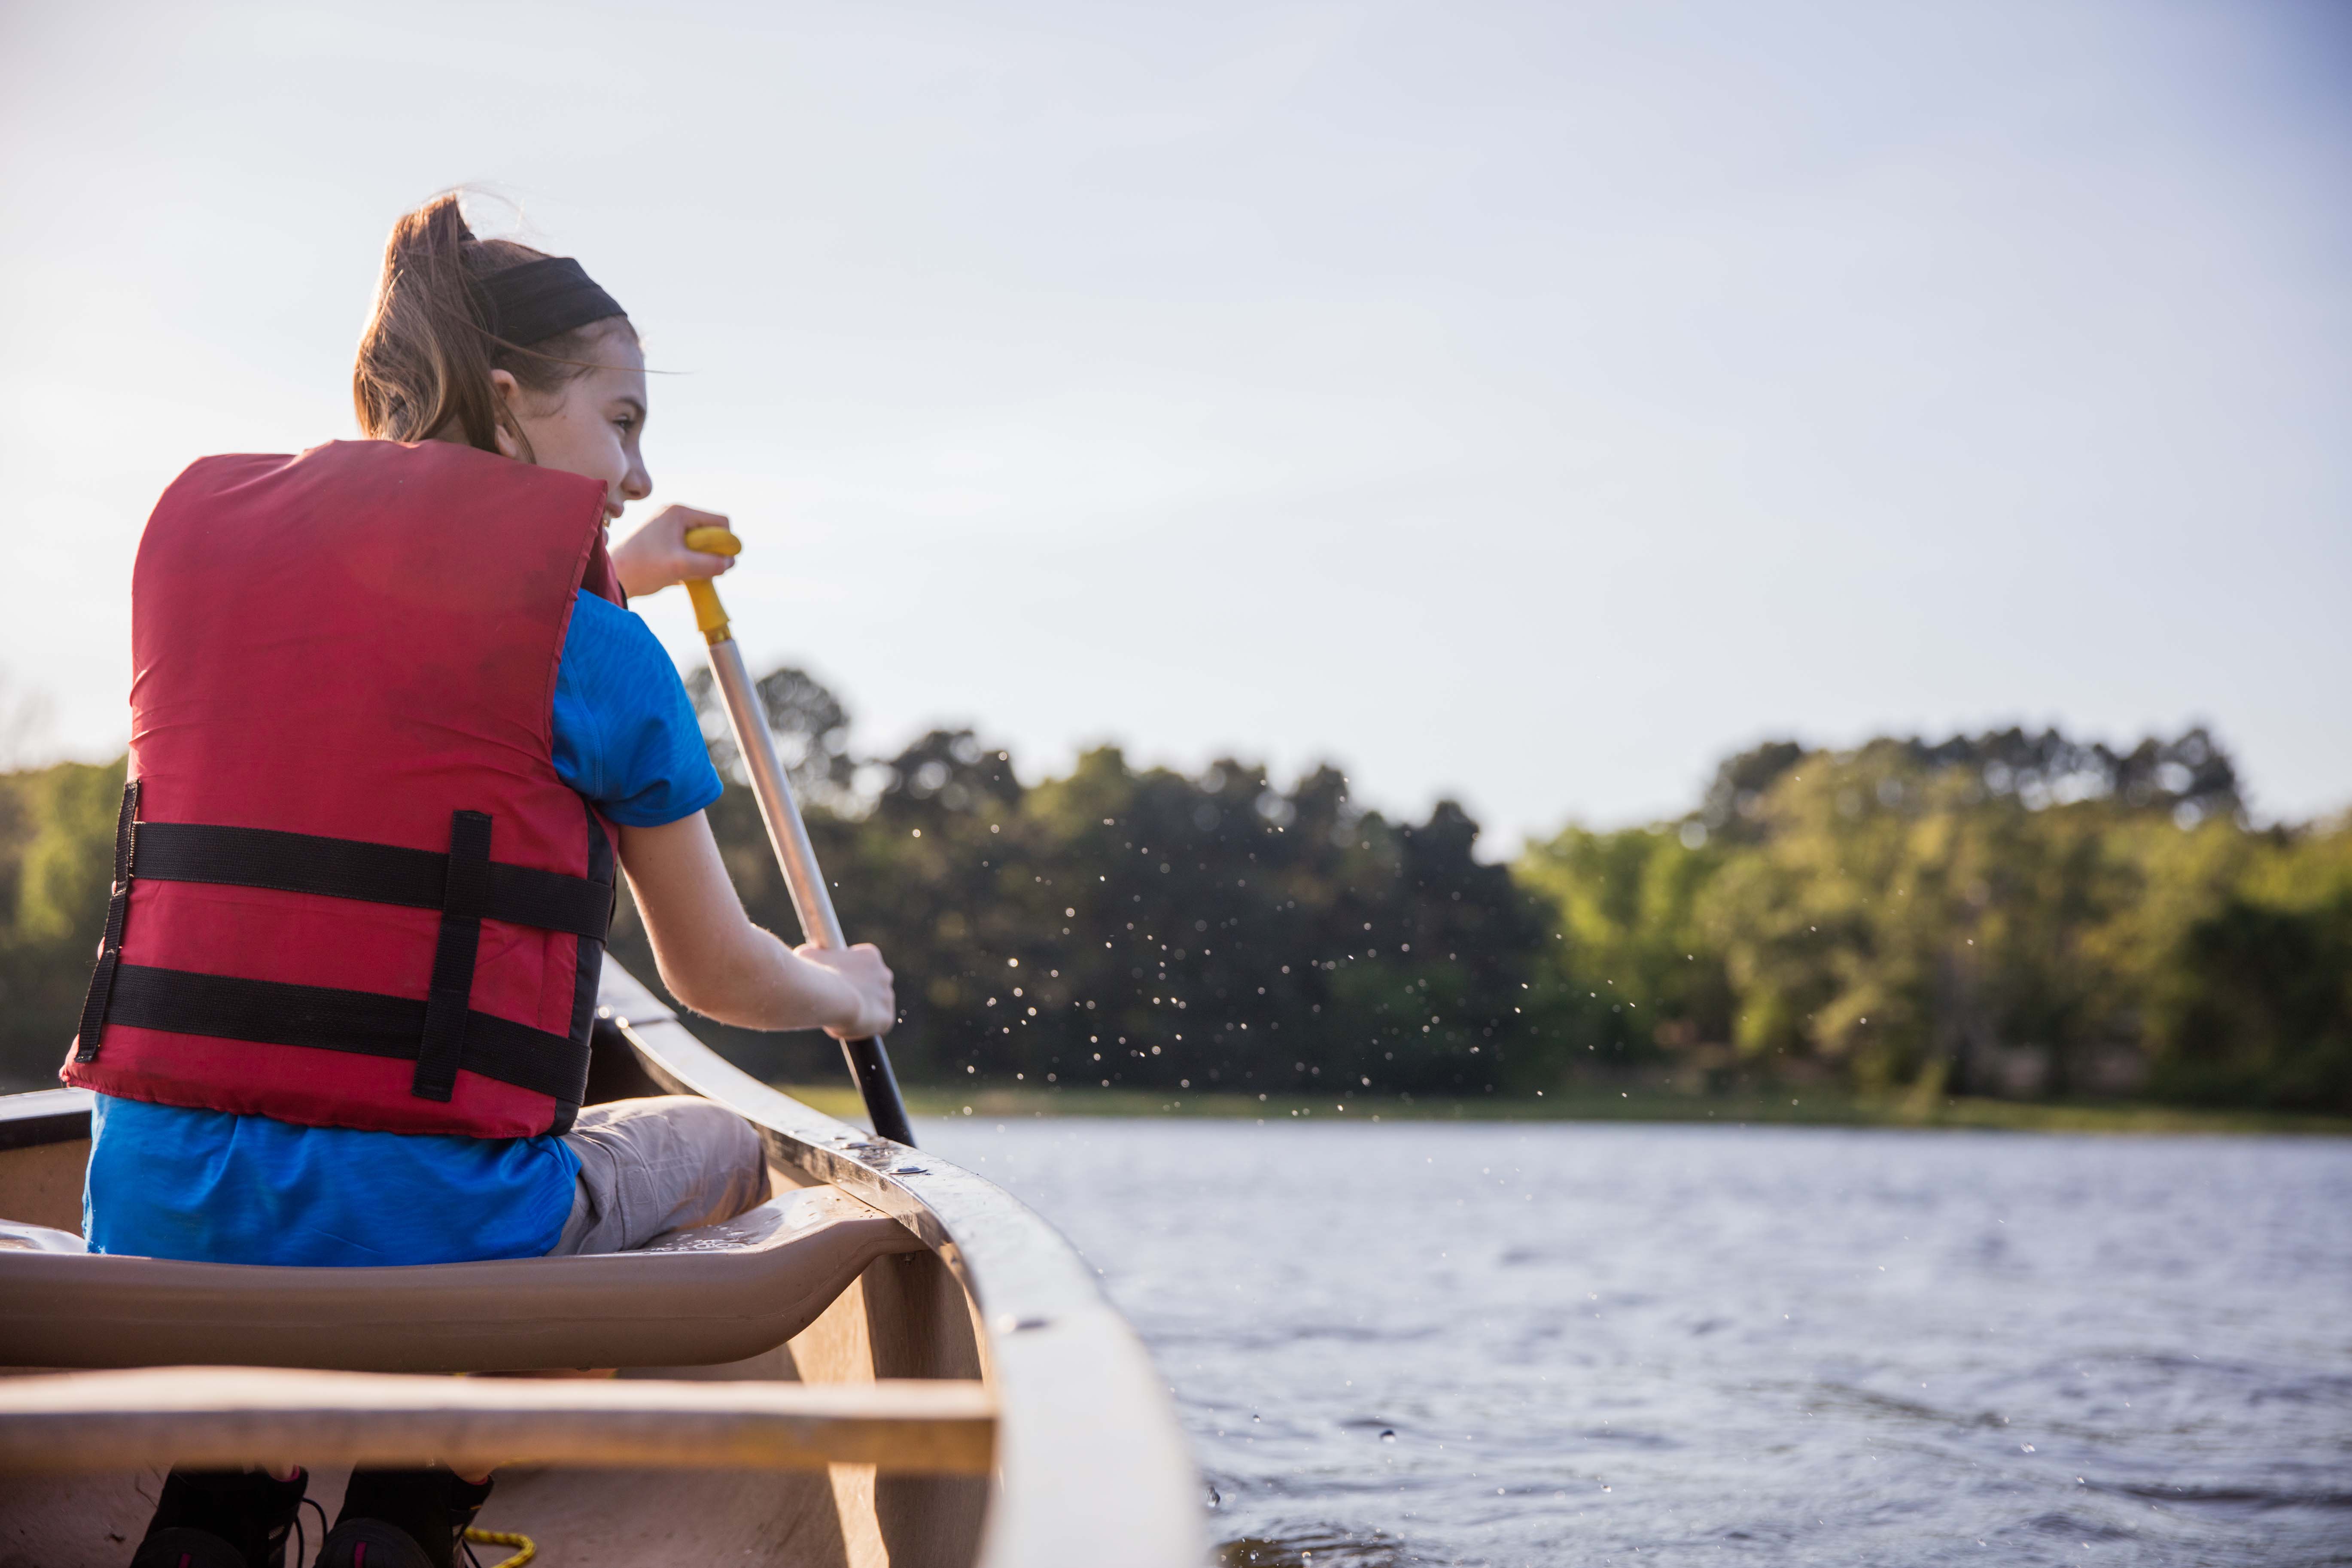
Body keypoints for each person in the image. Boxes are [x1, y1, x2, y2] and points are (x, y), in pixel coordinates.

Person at [64, 193, 895, 1568]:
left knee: (282, 1206)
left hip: (146, 1204)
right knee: (727, 1150)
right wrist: (843, 993)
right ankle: (410, 1506)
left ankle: (219, 1506)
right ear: (509, 400)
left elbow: (417, 654)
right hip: (437, 1223)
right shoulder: (609, 663)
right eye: (622, 422)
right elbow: (718, 974)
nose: (635, 473)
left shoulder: (198, 564)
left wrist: (616, 574)